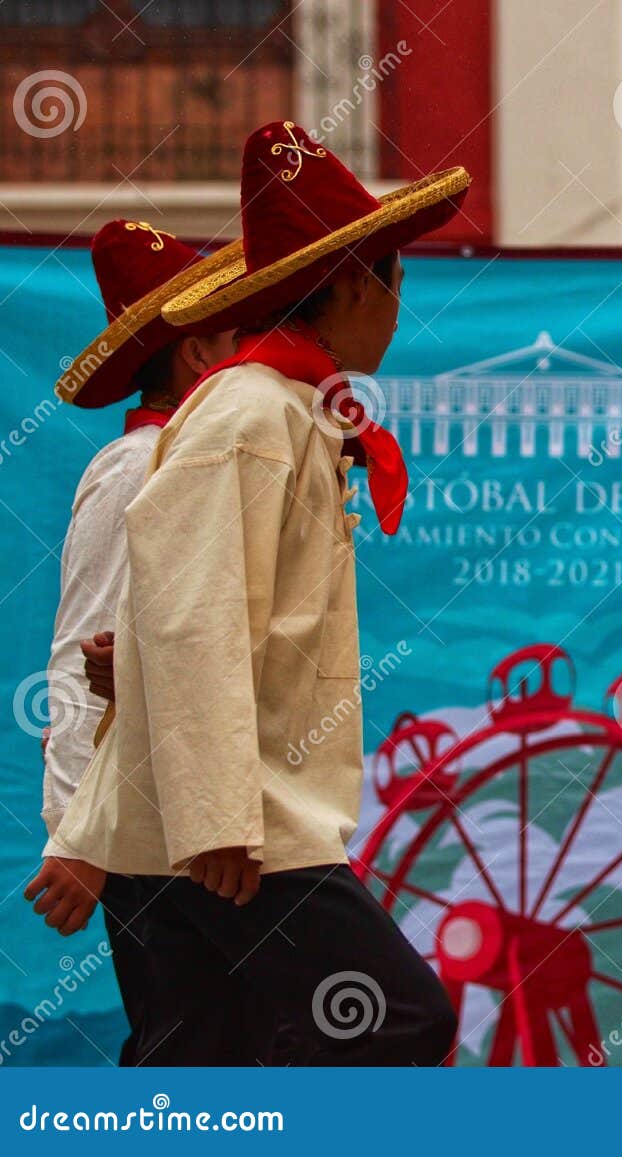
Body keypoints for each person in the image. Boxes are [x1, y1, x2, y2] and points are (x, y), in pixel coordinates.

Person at [38, 120, 471, 1066]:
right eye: (397, 279)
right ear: (357, 283)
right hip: (238, 824)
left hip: (213, 814)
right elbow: (196, 617)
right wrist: (219, 817)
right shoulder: (252, 414)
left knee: (210, 1059)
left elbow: (181, 613)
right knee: (400, 1021)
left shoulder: (278, 410)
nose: (401, 310)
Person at [25, 220, 242, 1064]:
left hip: (193, 814)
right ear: (196, 358)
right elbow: (83, 654)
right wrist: (78, 834)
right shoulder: (136, 468)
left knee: (208, 1046)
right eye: (233, 338)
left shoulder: (189, 463)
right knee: (184, 1045)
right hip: (149, 824)